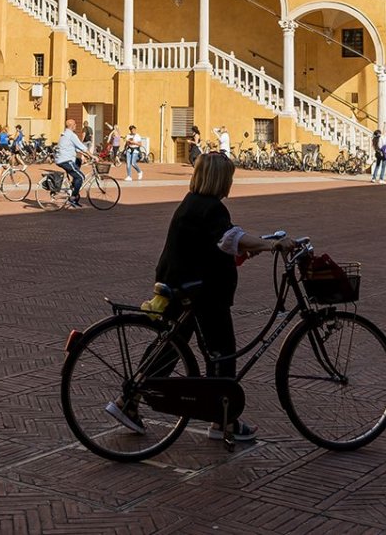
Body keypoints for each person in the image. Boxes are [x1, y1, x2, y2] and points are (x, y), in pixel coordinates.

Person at [123, 152, 294, 442]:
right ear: (219, 179)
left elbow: (215, 243)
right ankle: (223, 420)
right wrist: (272, 244)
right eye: (228, 178)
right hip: (200, 291)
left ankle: (129, 402)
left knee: (170, 345)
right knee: (221, 351)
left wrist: (243, 249)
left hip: (181, 283)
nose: (230, 183)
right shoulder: (211, 208)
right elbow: (230, 237)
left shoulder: (192, 203)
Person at [53, 117, 91, 207]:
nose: (76, 126)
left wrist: (86, 155)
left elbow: (75, 148)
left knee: (79, 161)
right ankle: (72, 198)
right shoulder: (71, 135)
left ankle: (74, 185)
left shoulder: (64, 134)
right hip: (65, 160)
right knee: (81, 177)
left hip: (62, 159)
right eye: (75, 124)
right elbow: (82, 146)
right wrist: (93, 156)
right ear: (71, 126)